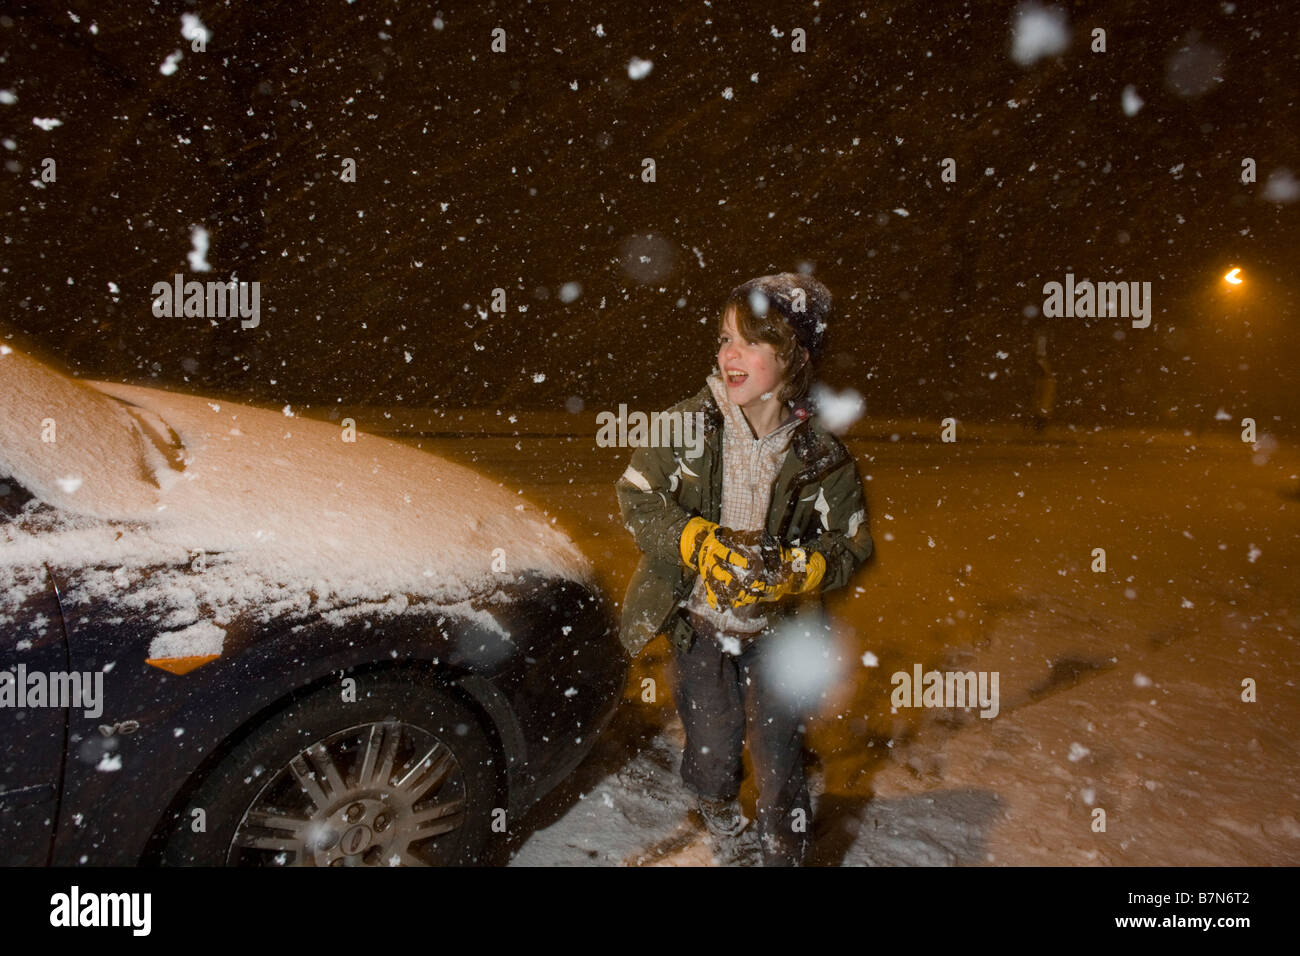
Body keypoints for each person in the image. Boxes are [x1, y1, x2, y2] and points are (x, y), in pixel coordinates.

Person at [615, 273, 874, 865]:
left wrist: (796, 569)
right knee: (712, 742)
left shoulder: (821, 455)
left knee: (780, 749)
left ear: (795, 357)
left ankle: (784, 846)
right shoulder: (686, 427)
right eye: (725, 339)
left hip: (779, 633)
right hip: (701, 627)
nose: (729, 355)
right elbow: (637, 496)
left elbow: (850, 542)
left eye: (751, 342)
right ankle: (718, 810)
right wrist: (697, 542)